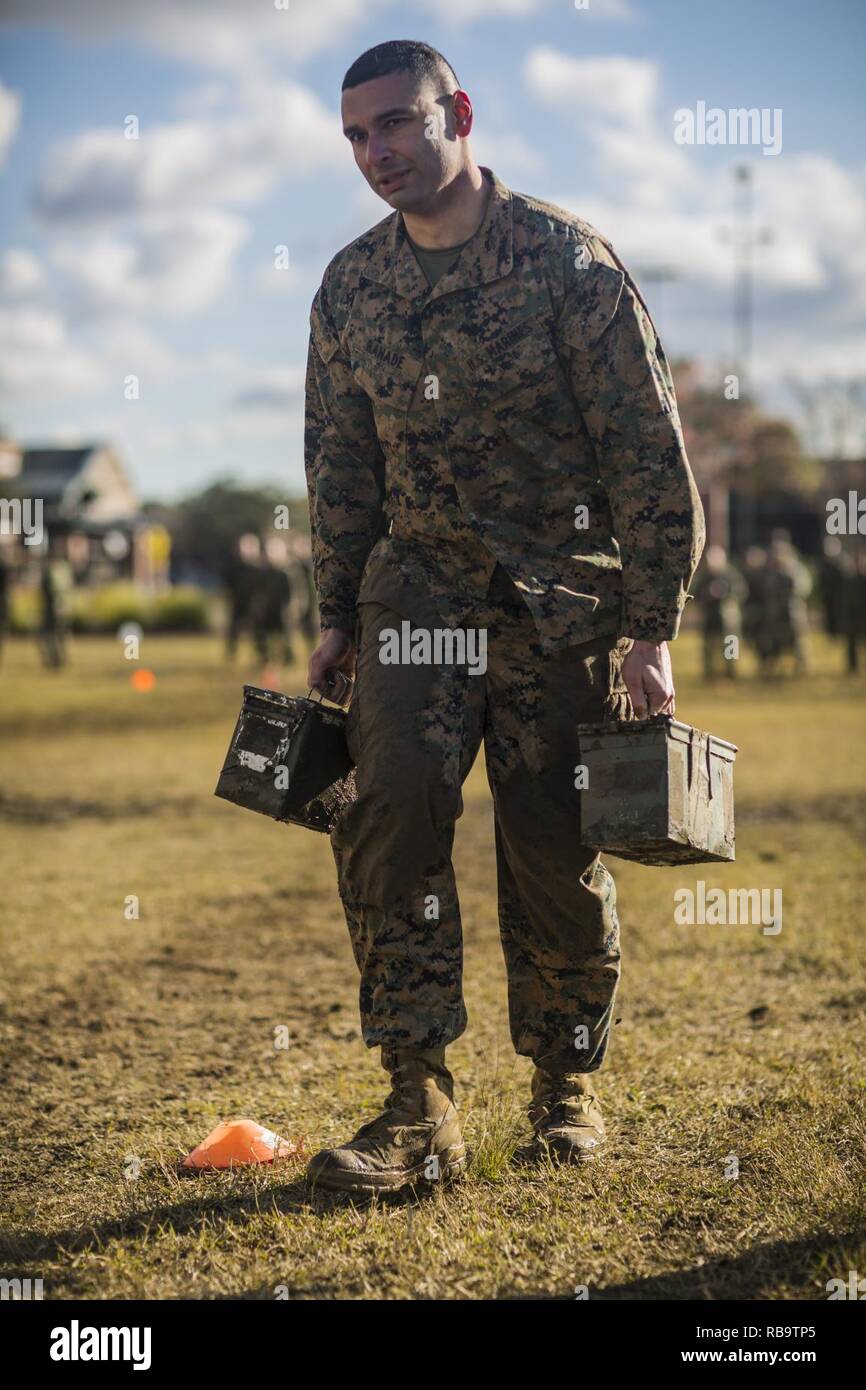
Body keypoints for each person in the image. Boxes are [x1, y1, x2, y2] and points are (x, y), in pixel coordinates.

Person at [302, 40, 705, 1195]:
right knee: (389, 819)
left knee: (549, 848)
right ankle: (415, 1100)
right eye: (356, 136)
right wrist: (336, 610)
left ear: (457, 113)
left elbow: (645, 452)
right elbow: (340, 461)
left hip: (556, 604)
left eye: (396, 125)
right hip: (412, 598)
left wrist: (652, 623)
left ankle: (563, 1085)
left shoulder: (569, 265)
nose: (376, 153)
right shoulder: (350, 286)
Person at [692, 545, 748, 679]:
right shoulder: (704, 577)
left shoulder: (731, 575)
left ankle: (732, 671)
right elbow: (695, 595)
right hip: (710, 618)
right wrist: (707, 596)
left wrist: (726, 594)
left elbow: (741, 592)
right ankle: (710, 673)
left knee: (731, 645)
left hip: (729, 619)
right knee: (709, 646)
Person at [222, 533, 261, 662]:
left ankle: (260, 654)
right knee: (234, 630)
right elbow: (228, 583)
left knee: (257, 630)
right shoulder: (234, 567)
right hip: (238, 601)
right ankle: (231, 654)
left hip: (252, 602)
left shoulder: (256, 569)